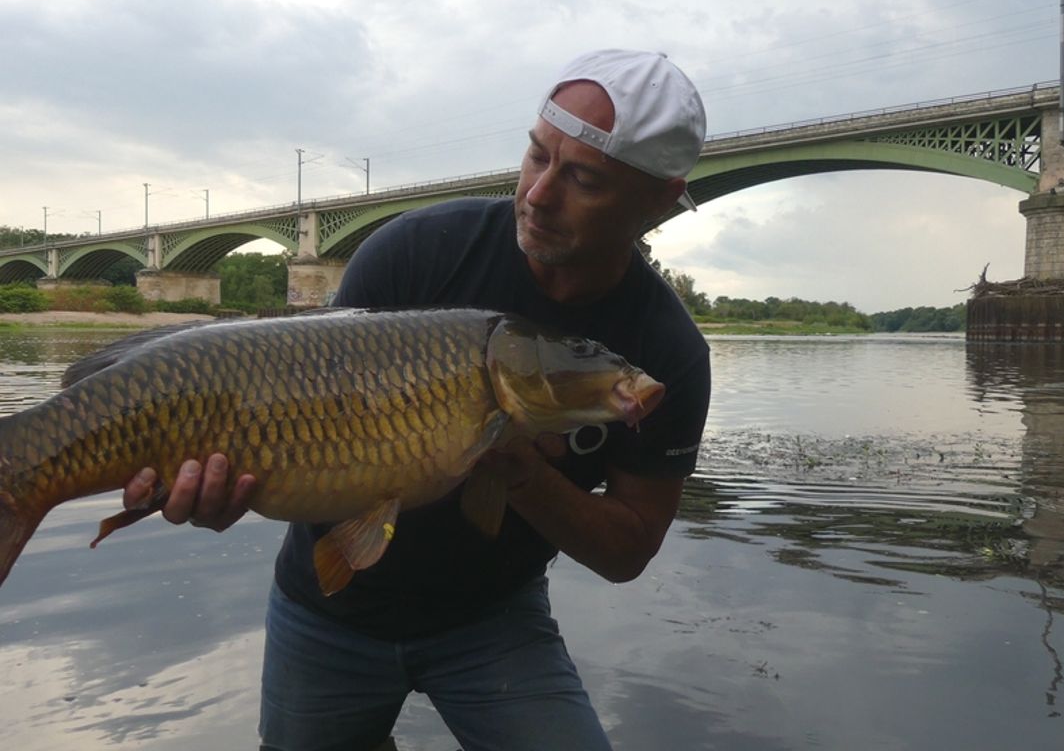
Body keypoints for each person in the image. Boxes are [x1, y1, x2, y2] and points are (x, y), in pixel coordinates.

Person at [122, 48, 711, 751]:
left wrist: (521, 472)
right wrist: (221, 489)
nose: (536, 195)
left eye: (582, 178)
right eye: (536, 155)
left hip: (495, 619)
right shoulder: (416, 251)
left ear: (658, 201)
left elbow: (627, 551)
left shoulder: (665, 351)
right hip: (327, 615)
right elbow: (298, 416)